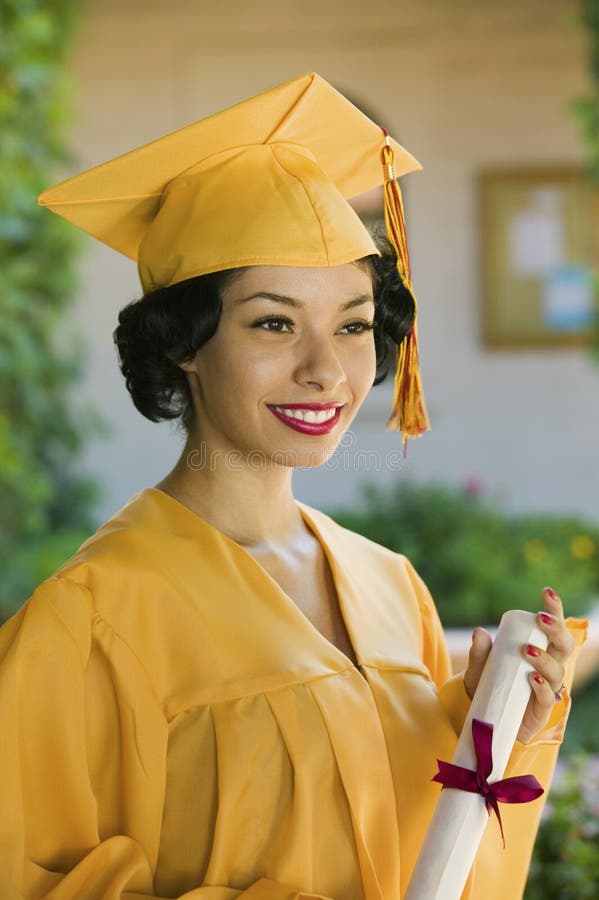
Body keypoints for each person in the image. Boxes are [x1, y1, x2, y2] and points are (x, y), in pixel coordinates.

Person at [0, 72, 588, 900]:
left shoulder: (392, 586)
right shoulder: (91, 618)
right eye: (274, 322)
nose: (325, 370)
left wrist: (501, 733)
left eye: (351, 325)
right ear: (185, 345)